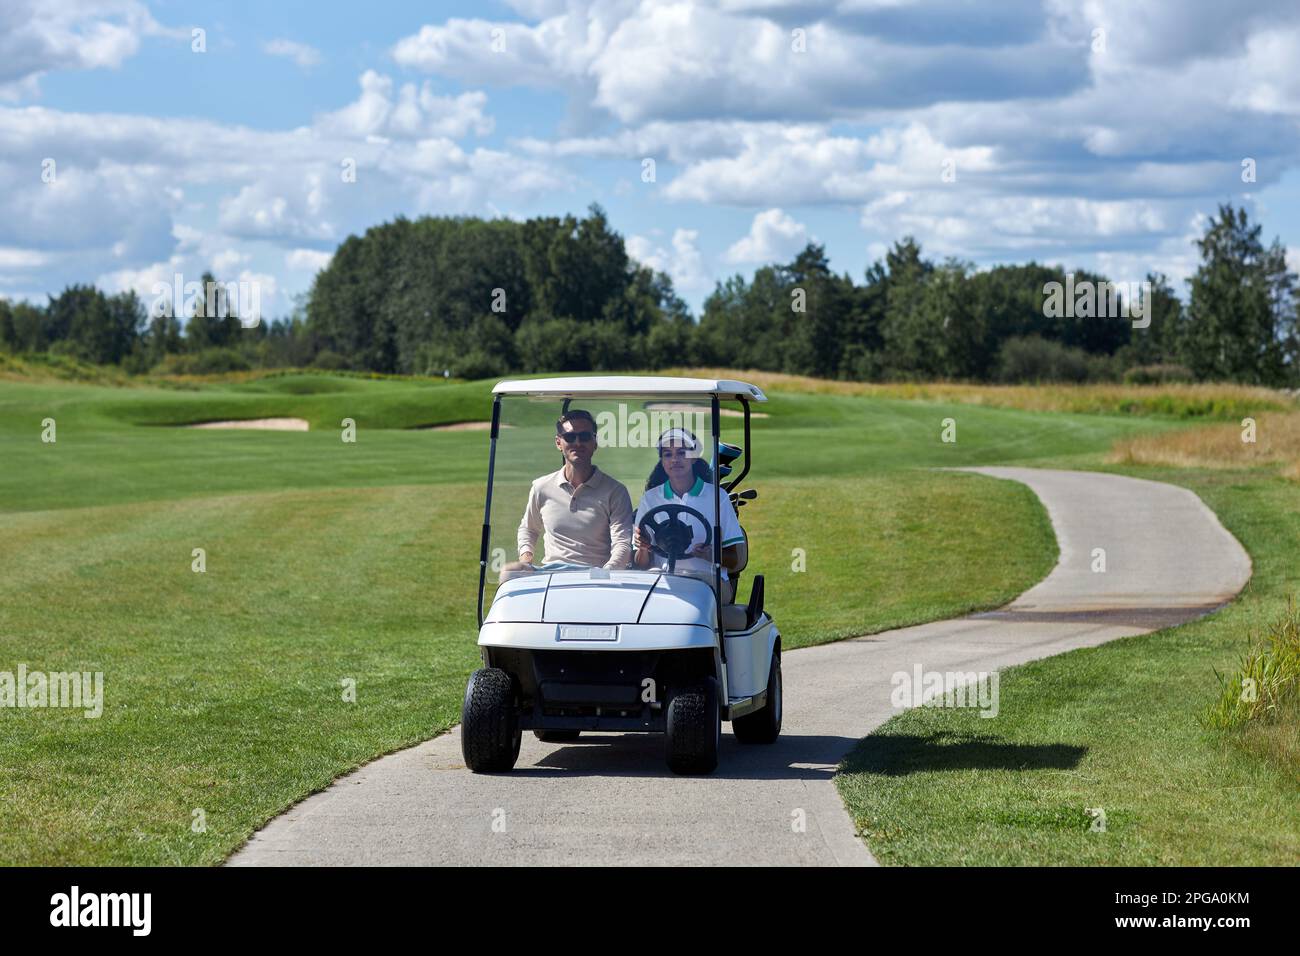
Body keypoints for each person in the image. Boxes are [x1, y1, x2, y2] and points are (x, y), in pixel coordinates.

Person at [502, 409, 634, 579]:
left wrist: (606, 572)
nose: (578, 443)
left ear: (595, 442)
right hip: (550, 573)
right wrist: (526, 559)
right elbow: (529, 528)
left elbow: (622, 543)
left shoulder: (615, 491)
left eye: (585, 437)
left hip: (595, 573)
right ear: (559, 443)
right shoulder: (541, 487)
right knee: (508, 573)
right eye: (570, 437)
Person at [632, 427, 745, 602]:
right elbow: (641, 564)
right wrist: (643, 547)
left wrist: (710, 555)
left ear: (694, 458)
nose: (675, 460)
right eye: (668, 454)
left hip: (707, 579)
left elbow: (735, 560)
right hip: (663, 578)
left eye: (682, 453)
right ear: (662, 461)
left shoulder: (717, 497)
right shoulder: (650, 498)